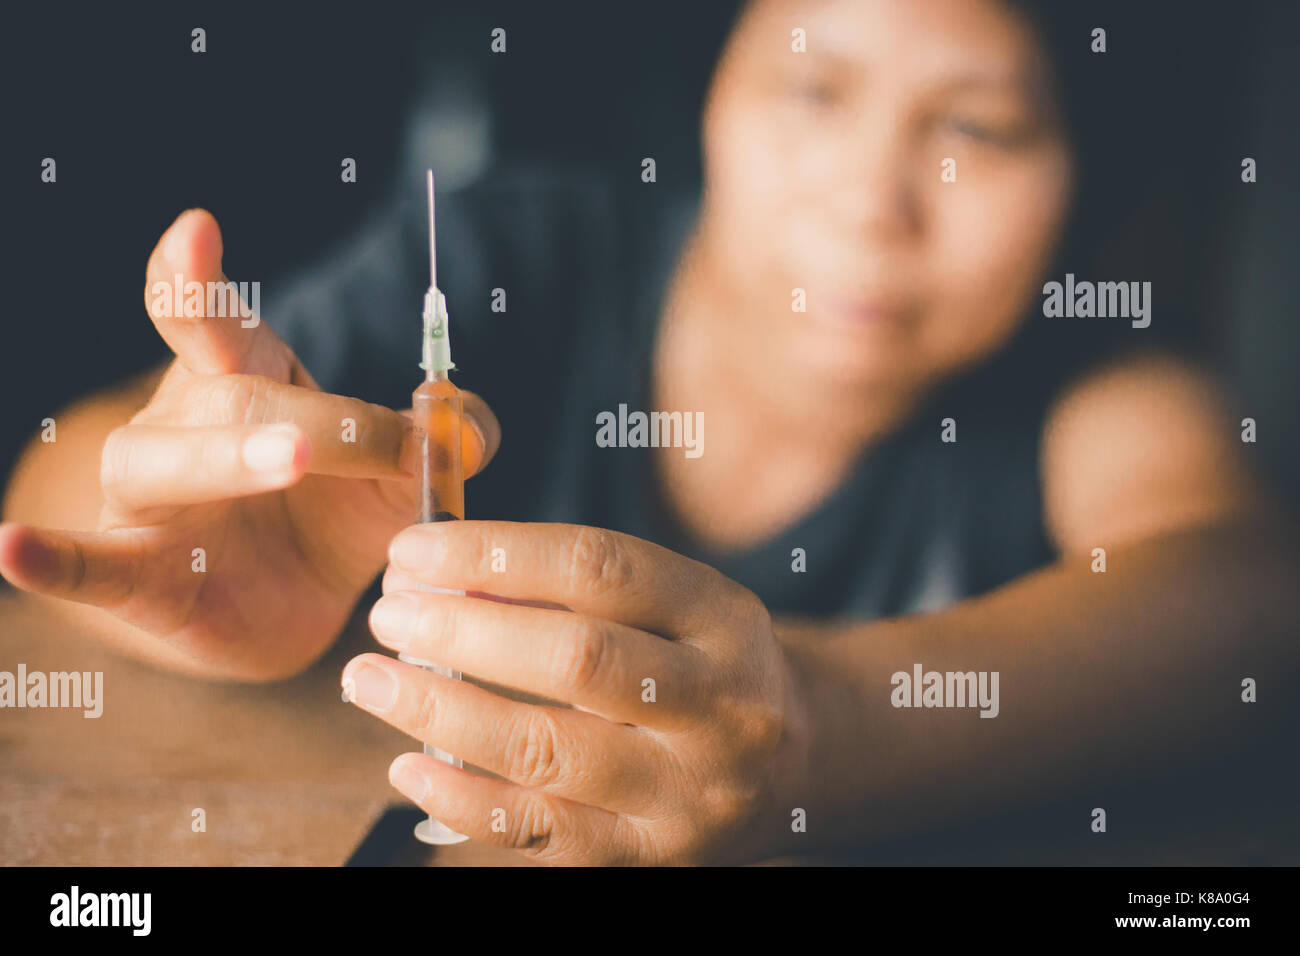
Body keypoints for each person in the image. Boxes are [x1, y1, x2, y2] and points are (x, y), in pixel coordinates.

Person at [2, 0, 1296, 865]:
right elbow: (68, 475)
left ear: (1088, 183)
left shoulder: (1094, 393)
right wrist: (181, 526)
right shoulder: (524, 255)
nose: (871, 199)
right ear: (711, 88)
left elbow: (1247, 603)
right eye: (814, 90)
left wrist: (826, 729)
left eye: (976, 127)